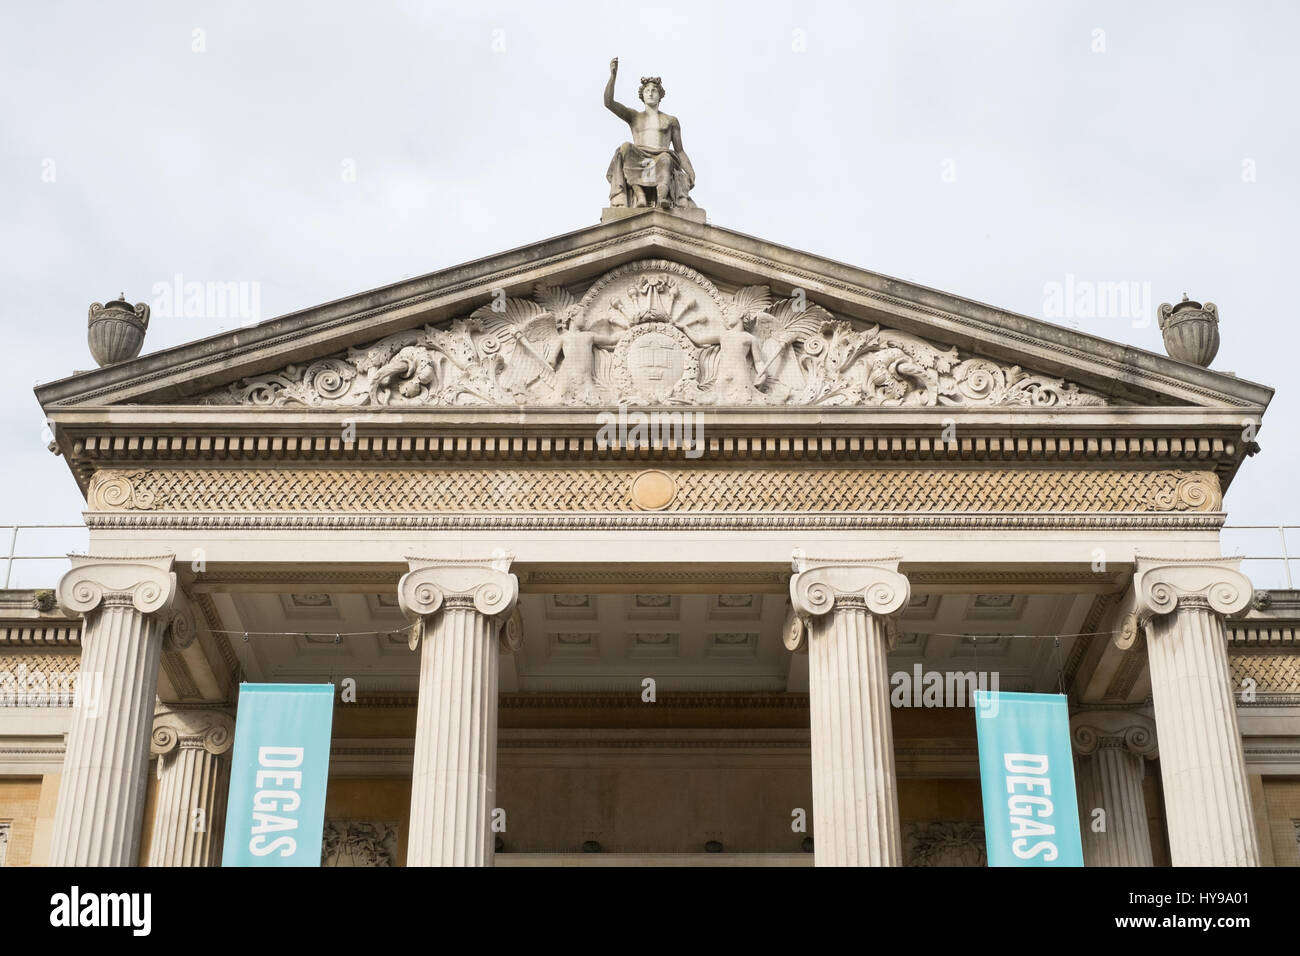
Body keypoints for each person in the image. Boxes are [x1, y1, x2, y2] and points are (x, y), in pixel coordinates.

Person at [604, 58, 697, 211]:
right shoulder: (634, 117)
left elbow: (679, 150)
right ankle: (640, 195)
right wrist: (613, 76)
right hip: (639, 156)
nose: (651, 93)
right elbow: (608, 103)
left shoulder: (670, 120)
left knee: (667, 158)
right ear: (642, 96)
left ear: (660, 95)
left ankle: (662, 198)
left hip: (661, 156)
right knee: (625, 147)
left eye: (654, 90)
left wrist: (690, 171)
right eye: (647, 91)